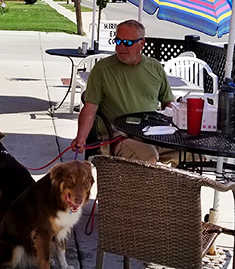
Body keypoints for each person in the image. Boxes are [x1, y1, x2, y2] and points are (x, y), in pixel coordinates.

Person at [70, 20, 178, 165]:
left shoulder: (155, 68)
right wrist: (81, 137)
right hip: (117, 137)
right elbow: (90, 107)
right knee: (149, 156)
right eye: (118, 41)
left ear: (142, 44)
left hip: (151, 133)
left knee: (192, 155)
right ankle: (153, 185)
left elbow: (168, 103)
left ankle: (172, 187)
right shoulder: (102, 69)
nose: (121, 47)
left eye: (127, 43)